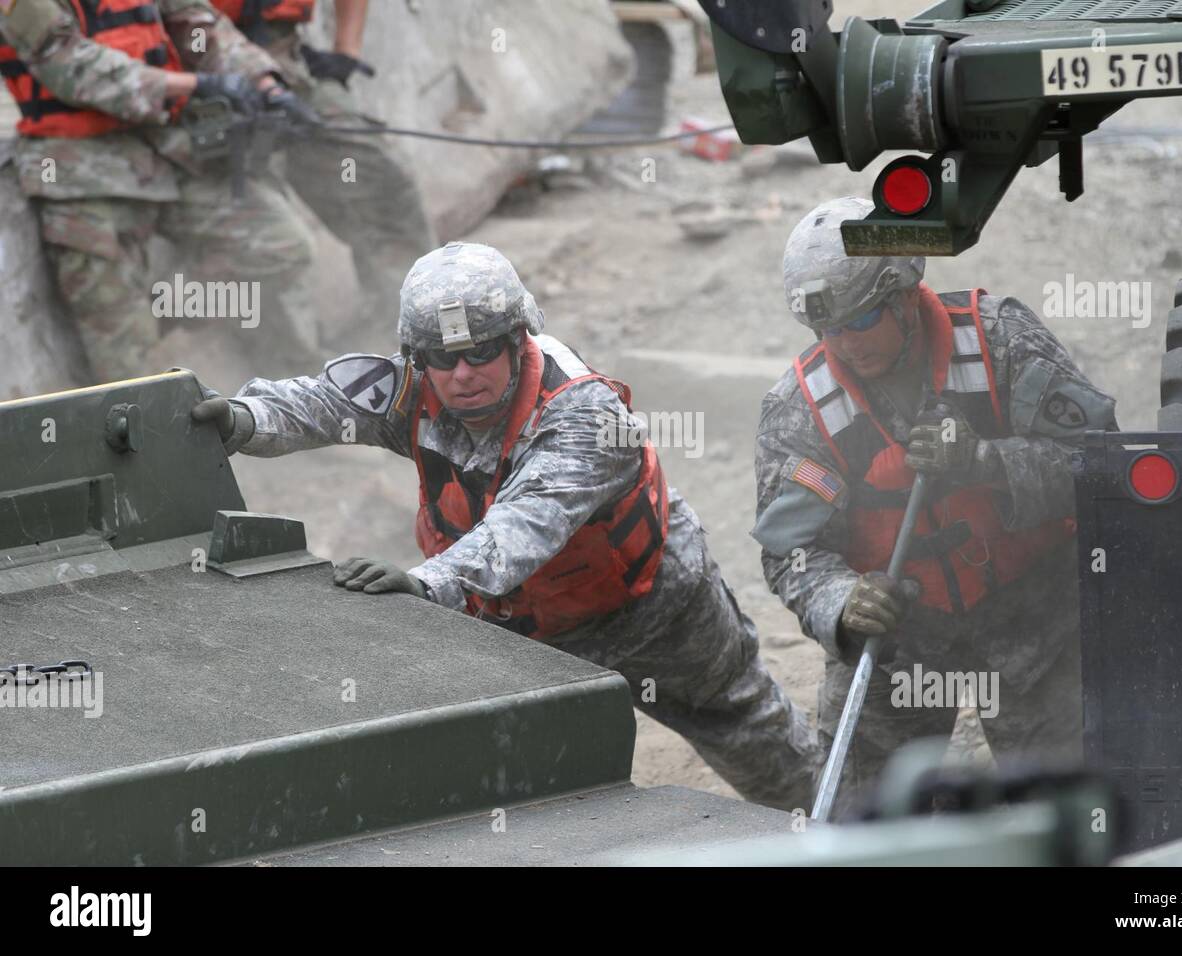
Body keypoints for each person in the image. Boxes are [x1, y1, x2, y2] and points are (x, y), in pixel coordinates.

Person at [191, 241, 823, 810]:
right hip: (518, 630)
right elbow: (325, 403)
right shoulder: (416, 387)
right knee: (528, 792)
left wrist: (425, 583)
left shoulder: (584, 415)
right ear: (419, 357)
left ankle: (854, 835)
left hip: (652, 609)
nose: (463, 374)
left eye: (482, 351)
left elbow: (523, 527)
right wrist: (245, 420)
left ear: (519, 339)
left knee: (746, 728)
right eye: (443, 357)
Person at [752, 196, 1119, 816]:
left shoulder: (1000, 339)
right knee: (858, 828)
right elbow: (790, 550)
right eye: (827, 329)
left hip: (1038, 622)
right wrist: (840, 603)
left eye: (860, 319)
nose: (844, 345)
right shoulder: (800, 408)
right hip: (898, 644)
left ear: (902, 292)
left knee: (1078, 812)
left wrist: (984, 462)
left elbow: (1103, 463)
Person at [0, 0, 319, 383]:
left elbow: (199, 25)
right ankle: (133, 345)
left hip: (169, 150)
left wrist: (265, 85)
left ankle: (158, 313)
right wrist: (197, 85)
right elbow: (71, 66)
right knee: (128, 373)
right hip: (82, 173)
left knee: (281, 245)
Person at [210, 0, 433, 321]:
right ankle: (295, 359)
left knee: (381, 181)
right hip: (206, 70)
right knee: (259, 221)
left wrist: (346, 51)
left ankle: (415, 321)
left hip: (284, 55)